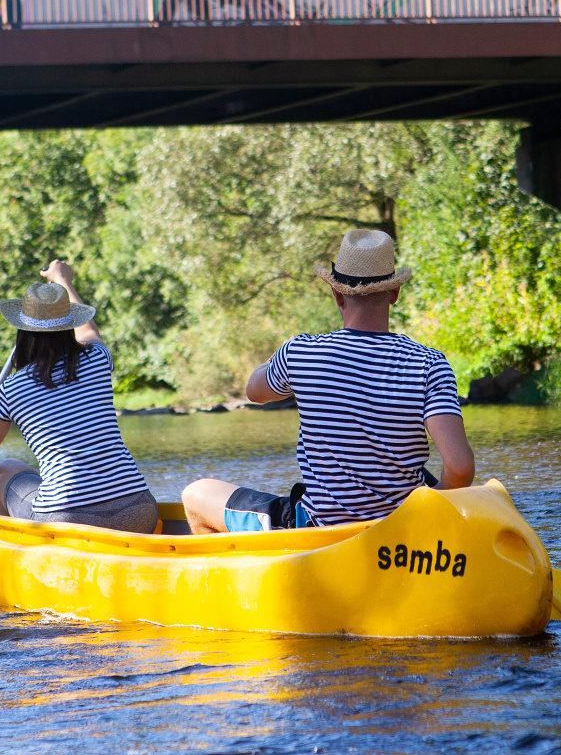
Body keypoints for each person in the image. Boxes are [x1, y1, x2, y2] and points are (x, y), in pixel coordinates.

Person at [181, 228, 475, 534]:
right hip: (400, 532)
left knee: (196, 494)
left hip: (322, 532)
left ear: (337, 294)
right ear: (394, 293)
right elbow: (460, 467)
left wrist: (283, 356)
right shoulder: (430, 363)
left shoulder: (301, 352)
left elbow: (254, 391)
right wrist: (429, 512)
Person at [0, 260, 160, 534]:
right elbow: (89, 332)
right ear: (70, 324)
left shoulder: (11, 389)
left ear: (23, 331)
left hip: (68, 520)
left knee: (5, 470)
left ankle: (13, 557)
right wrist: (65, 281)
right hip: (139, 511)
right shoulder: (98, 359)